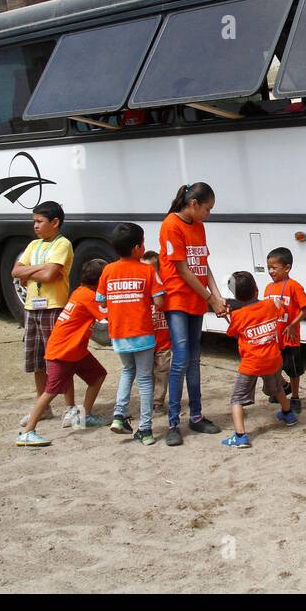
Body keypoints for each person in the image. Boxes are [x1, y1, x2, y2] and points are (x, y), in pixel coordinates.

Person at [158, 182, 227, 446]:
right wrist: (211, 299)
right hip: (178, 300)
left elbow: (202, 264)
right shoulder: (171, 225)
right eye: (207, 208)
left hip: (197, 300)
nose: (209, 213)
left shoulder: (199, 226)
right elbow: (183, 270)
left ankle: (196, 416)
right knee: (181, 358)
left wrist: (217, 296)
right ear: (194, 204)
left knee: (194, 358)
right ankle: (173, 422)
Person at [16, 259, 111, 445]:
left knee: (98, 375)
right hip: (64, 352)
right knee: (50, 391)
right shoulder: (89, 296)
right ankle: (28, 432)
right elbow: (107, 315)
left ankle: (84, 417)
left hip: (75, 350)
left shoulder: (80, 292)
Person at [96, 223, 166, 446]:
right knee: (145, 380)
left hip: (118, 334)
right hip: (143, 333)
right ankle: (145, 430)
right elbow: (159, 301)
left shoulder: (108, 270)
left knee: (127, 371)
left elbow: (100, 299)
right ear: (137, 248)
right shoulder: (147, 271)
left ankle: (118, 416)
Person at [10, 201, 77, 426]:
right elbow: (15, 271)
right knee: (37, 360)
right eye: (34, 222)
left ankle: (70, 407)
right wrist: (40, 269)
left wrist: (29, 273)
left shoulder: (62, 244)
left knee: (59, 359)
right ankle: (44, 405)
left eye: (40, 221)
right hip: (32, 308)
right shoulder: (33, 245)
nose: (36, 226)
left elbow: (50, 276)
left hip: (53, 307)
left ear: (55, 222)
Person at [222, 272, 298, 448]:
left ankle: (240, 436)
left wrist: (228, 315)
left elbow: (233, 332)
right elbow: (280, 308)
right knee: (277, 388)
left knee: (237, 399)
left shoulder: (238, 315)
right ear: (256, 289)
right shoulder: (270, 304)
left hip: (251, 363)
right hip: (273, 359)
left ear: (235, 296)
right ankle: (288, 414)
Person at [264, 247, 306, 412]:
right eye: (269, 267)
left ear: (287, 268)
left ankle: (295, 397)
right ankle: (284, 387)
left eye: (274, 268)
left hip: (290, 338)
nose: (270, 271)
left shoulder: (294, 287)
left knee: (294, 369)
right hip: (274, 338)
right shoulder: (268, 288)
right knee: (273, 367)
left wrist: (292, 325)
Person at [143, 251, 172, 416]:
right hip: (145, 339)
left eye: (153, 269)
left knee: (162, 371)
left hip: (163, 340)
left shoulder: (165, 286)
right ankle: (148, 401)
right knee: (146, 373)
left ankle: (157, 403)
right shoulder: (142, 287)